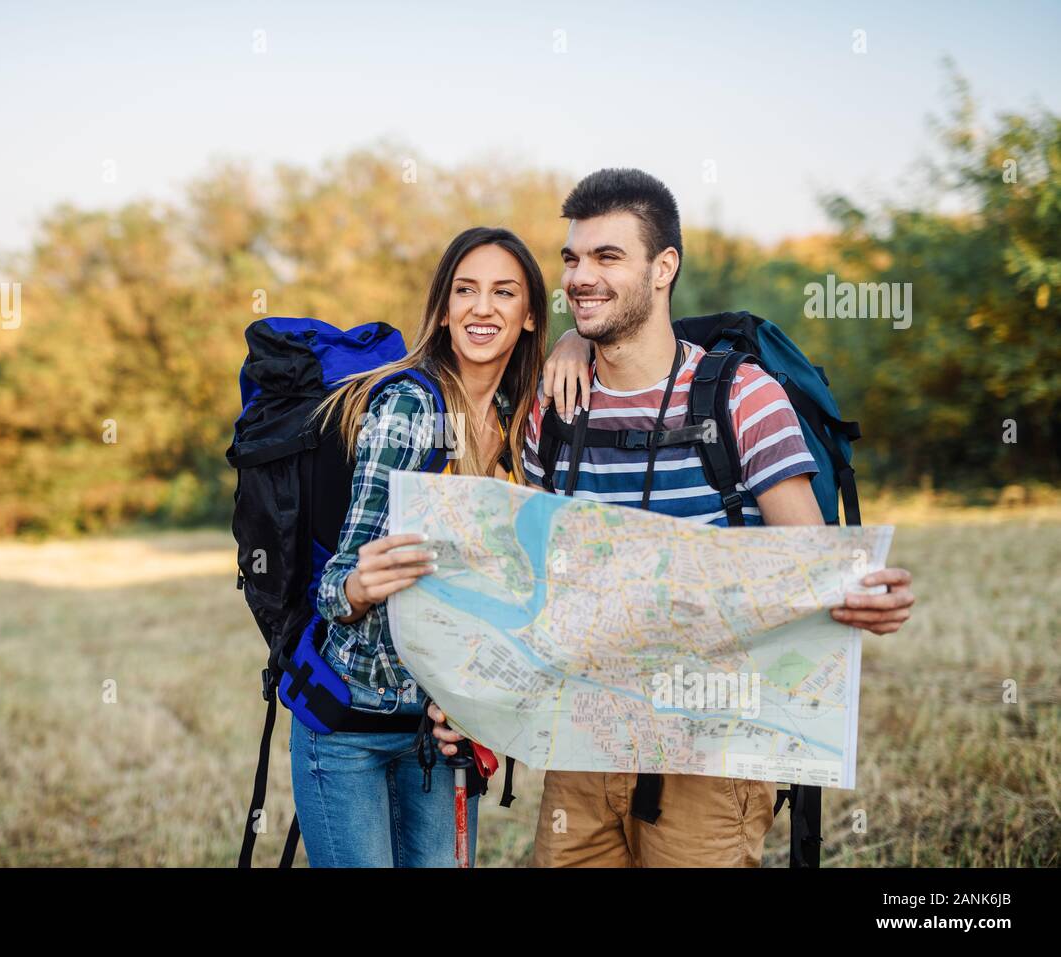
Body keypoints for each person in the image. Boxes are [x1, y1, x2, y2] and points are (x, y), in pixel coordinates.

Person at [430, 168, 916, 867]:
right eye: (572, 258)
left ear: (664, 268)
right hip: (584, 745)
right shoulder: (554, 409)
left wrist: (865, 591)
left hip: (710, 750)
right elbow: (530, 573)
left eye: (607, 257)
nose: (581, 277)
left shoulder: (743, 397)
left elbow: (812, 561)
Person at [291, 226, 549, 866]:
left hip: (441, 731)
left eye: (503, 293)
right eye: (465, 290)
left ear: (529, 315)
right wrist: (354, 587)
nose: (482, 307)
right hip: (351, 724)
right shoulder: (412, 407)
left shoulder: (522, 425)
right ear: (443, 306)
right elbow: (332, 586)